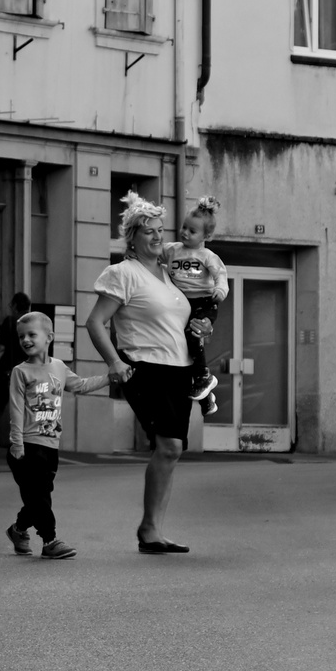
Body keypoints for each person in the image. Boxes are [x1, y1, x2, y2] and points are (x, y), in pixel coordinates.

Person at [85, 192, 213, 555]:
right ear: (132, 238)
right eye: (148, 231)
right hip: (145, 368)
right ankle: (149, 529)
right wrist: (114, 361)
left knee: (171, 451)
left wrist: (202, 327)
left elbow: (176, 323)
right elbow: (95, 322)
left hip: (180, 370)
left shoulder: (170, 275)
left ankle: (153, 528)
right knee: (169, 445)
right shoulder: (123, 274)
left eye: (160, 230)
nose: (157, 236)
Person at [3, 312, 110, 560]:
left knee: (39, 497)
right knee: (39, 497)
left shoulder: (59, 367)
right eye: (21, 336)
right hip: (27, 444)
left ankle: (18, 529)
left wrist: (110, 378)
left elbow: (81, 385)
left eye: (32, 334)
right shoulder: (21, 371)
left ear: (49, 337)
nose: (25, 340)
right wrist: (17, 443)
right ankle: (50, 541)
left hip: (50, 445)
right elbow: (16, 409)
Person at [163, 196, 229, 417]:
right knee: (184, 350)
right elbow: (151, 252)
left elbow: (221, 276)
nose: (185, 233)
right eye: (184, 227)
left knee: (193, 337)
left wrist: (220, 291)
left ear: (206, 236)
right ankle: (206, 397)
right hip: (181, 302)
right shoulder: (172, 250)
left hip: (204, 302)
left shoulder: (207, 256)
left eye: (192, 231)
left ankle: (204, 377)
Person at [0, 292, 33, 447]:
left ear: (14, 306)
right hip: (28, 373)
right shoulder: (36, 324)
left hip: (7, 371)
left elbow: (0, 348)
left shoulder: (11, 322)